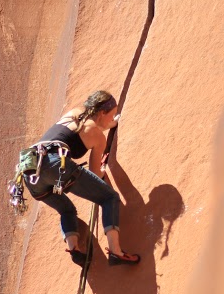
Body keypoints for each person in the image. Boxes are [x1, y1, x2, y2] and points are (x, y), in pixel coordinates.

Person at [25, 91, 140, 266]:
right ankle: (116, 251)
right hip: (54, 165)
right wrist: (102, 169)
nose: (112, 118)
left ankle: (74, 248)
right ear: (102, 113)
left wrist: (111, 123)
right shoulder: (97, 137)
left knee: (66, 210)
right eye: (111, 114)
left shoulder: (75, 113)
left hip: (30, 170)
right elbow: (96, 174)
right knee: (109, 198)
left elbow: (91, 127)